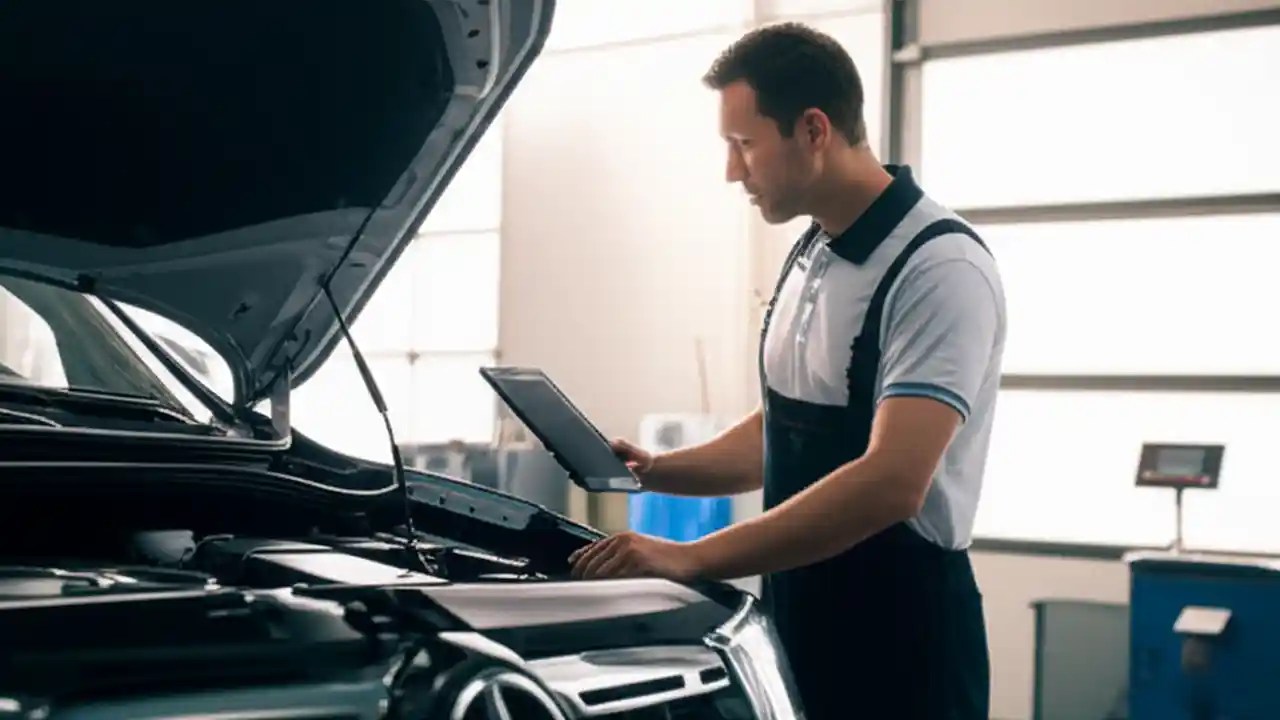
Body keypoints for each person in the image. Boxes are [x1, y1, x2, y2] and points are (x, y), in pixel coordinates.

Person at [568, 22, 1006, 719]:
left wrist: (693, 556)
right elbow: (785, 431)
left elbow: (891, 482)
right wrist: (656, 469)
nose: (732, 172)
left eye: (744, 145)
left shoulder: (939, 269)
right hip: (799, 625)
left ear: (812, 130)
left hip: (903, 645)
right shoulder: (813, 253)